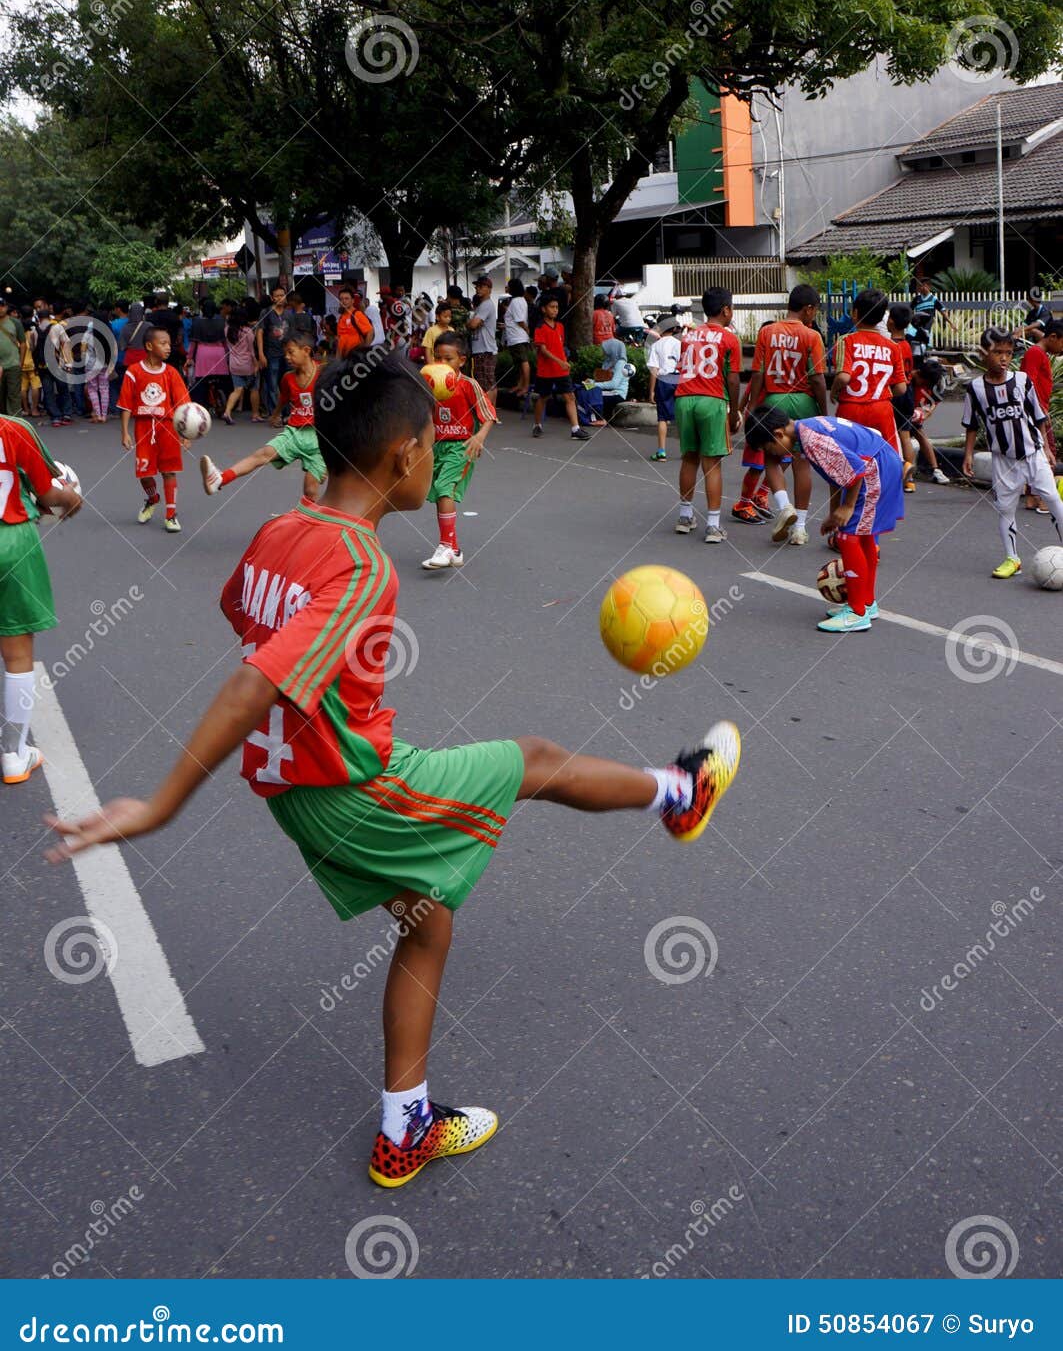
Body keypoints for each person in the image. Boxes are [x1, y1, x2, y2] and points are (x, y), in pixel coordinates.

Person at [44, 348, 742, 1189]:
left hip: (295, 786)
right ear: (404, 456)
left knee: (427, 919)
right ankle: (680, 793)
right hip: (349, 788)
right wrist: (159, 805)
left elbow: (243, 611)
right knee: (531, 760)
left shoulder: (282, 529)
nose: (435, 452)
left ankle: (402, 1126)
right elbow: (253, 679)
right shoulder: (363, 563)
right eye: (429, 441)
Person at [745, 405, 904, 634]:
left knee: (848, 538)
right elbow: (838, 474)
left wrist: (847, 507)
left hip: (872, 470)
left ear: (779, 434)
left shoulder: (811, 441)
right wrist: (834, 512)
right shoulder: (806, 428)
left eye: (770, 448)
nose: (775, 455)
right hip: (882, 463)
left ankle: (857, 612)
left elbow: (855, 469)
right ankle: (866, 603)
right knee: (862, 535)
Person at [0, 414, 82, 783]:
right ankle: (14, 755)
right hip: (11, 542)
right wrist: (72, 500)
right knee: (17, 655)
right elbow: (48, 493)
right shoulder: (15, 429)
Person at [961, 326, 1063, 578]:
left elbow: (1038, 416)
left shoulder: (1021, 380)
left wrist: (1047, 449)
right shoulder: (975, 389)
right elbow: (972, 425)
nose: (1004, 358)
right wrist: (968, 454)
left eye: (1008, 352)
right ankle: (1012, 558)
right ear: (985, 354)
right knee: (1005, 509)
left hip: (1032, 453)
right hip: (1003, 460)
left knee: (1052, 499)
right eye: (998, 352)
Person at [745, 285, 828, 544]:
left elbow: (757, 374)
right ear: (808, 309)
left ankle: (784, 506)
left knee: (771, 459)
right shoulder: (812, 336)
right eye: (814, 311)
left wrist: (749, 407)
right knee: (802, 463)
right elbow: (817, 380)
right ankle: (800, 528)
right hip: (803, 402)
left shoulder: (767, 332)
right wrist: (823, 413)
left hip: (774, 401)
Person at [202, 334, 324, 504]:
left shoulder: (325, 374)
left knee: (310, 489)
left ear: (306, 351)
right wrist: (274, 416)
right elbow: (283, 399)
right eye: (285, 354)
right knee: (261, 454)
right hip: (294, 433)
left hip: (321, 439)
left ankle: (314, 527)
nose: (287, 357)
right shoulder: (288, 378)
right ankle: (220, 479)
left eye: (290, 352)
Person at [421, 332, 496, 571]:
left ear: (461, 361)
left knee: (445, 489)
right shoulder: (430, 384)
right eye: (438, 358)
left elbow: (489, 415)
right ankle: (454, 549)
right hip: (437, 447)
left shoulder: (468, 385)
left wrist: (479, 437)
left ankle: (444, 546)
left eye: (448, 358)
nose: (442, 364)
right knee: (441, 496)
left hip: (460, 447)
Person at [674, 287, 742, 542]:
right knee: (712, 463)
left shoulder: (689, 336)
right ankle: (713, 525)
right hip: (711, 400)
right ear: (726, 310)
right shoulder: (729, 339)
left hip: (684, 398)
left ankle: (684, 515)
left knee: (689, 457)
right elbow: (733, 380)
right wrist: (734, 412)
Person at [118, 326, 191, 532]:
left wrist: (186, 433)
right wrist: (124, 432)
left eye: (169, 343)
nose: (168, 347)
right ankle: (153, 498)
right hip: (143, 427)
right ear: (149, 346)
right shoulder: (133, 372)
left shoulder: (171, 373)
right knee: (144, 473)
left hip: (167, 427)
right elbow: (125, 404)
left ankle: (171, 514)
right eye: (163, 343)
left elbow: (184, 404)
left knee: (169, 471)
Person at [831, 288, 906, 454]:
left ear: (855, 313)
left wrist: (833, 391)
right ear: (881, 317)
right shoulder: (893, 346)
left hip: (851, 408)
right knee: (885, 456)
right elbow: (901, 388)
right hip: (882, 408)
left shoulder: (846, 341)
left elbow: (843, 377)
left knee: (847, 458)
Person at [531, 292, 589, 441]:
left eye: (556, 307)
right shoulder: (540, 328)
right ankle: (537, 424)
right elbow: (543, 350)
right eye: (552, 307)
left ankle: (575, 429)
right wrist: (560, 361)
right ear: (544, 309)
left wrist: (564, 361)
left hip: (561, 370)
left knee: (570, 396)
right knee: (543, 397)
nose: (555, 310)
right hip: (546, 371)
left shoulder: (560, 326)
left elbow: (560, 346)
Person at [1019, 317, 1061, 507]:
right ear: (1053, 337)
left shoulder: (1039, 353)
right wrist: (1042, 411)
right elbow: (1029, 384)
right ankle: (1042, 497)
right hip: (1036, 412)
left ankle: (1033, 497)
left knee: (1038, 453)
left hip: (1037, 410)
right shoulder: (1035, 353)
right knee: (1047, 452)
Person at [887, 302, 917, 492]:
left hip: (894, 392)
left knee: (888, 434)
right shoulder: (907, 345)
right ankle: (910, 480)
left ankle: (896, 470)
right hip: (908, 391)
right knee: (905, 435)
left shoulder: (890, 346)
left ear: (890, 321)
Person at [909, 360, 951, 485]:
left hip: (914, 412)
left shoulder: (934, 385)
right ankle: (907, 473)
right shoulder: (908, 378)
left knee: (921, 436)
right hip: (900, 411)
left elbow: (933, 403)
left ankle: (936, 470)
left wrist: (923, 415)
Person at [186, 297, 230, 415]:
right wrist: (227, 354)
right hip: (219, 352)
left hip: (203, 353)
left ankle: (202, 405)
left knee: (201, 382)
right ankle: (220, 399)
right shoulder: (221, 321)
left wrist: (189, 357)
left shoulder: (197, 322)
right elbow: (225, 341)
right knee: (220, 380)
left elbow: (193, 343)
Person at [647, 315, 682, 460]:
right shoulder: (680, 344)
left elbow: (654, 370)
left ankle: (661, 451)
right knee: (682, 417)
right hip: (679, 380)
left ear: (659, 328)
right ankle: (686, 451)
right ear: (674, 328)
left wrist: (651, 391)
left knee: (662, 417)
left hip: (664, 380)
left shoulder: (656, 345)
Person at [223, 305, 263, 424]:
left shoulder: (227, 329)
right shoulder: (247, 331)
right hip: (247, 364)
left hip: (234, 364)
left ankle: (227, 412)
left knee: (237, 390)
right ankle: (255, 414)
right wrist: (256, 364)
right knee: (254, 389)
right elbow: (251, 351)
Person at [256, 286, 293, 411]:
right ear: (272, 298)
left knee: (286, 384)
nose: (280, 298)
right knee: (272, 385)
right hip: (271, 354)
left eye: (282, 295)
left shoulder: (289, 314)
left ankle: (287, 413)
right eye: (277, 295)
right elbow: (259, 333)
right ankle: (274, 413)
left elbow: (293, 334)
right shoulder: (265, 313)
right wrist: (261, 354)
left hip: (287, 354)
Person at [468, 275, 498, 403]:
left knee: (487, 384)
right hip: (482, 350)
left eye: (481, 286)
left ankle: (489, 414)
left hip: (486, 350)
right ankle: (489, 413)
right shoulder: (481, 306)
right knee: (485, 382)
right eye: (477, 286)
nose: (477, 288)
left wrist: (470, 323)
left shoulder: (486, 305)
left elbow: (473, 324)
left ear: (489, 289)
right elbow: (474, 324)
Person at [501, 278, 531, 397]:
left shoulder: (516, 301)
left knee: (523, 362)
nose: (506, 288)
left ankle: (525, 386)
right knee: (519, 363)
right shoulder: (519, 300)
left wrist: (527, 331)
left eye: (508, 286)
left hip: (518, 337)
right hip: (517, 337)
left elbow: (520, 321)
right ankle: (520, 384)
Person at [0, 294, 26, 418]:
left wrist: (20, 363)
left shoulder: (15, 322)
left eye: (2, 306)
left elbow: (23, 343)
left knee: (14, 397)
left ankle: (15, 425)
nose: (0, 309)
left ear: (6, 307)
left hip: (13, 365)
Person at [335, 284, 373, 356]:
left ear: (352, 301)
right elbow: (340, 339)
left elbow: (370, 331)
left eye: (346, 298)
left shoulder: (357, 314)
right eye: (341, 299)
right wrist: (338, 360)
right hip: (345, 358)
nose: (343, 301)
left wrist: (365, 351)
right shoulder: (341, 318)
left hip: (356, 356)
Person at [19, 306, 42, 418]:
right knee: (35, 385)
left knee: (23, 387)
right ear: (32, 315)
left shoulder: (17, 327)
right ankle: (34, 409)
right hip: (33, 361)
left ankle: (26, 409)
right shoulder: (34, 327)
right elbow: (36, 346)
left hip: (21, 361)